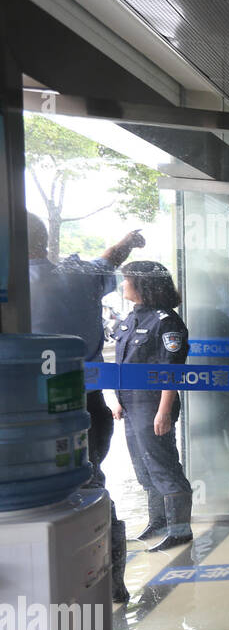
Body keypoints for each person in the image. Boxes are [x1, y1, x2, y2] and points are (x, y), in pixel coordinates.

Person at [27, 212, 143, 602]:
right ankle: (108, 582)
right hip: (88, 405)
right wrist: (129, 239)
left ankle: (63, 586)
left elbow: (109, 258)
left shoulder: (15, 286)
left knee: (40, 497)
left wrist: (125, 242)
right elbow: (109, 259)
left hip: (34, 409)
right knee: (91, 484)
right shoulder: (76, 276)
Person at [109, 261, 193, 552]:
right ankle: (158, 522)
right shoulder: (129, 319)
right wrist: (118, 401)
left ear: (143, 284)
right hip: (131, 404)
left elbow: (172, 371)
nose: (123, 285)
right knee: (143, 467)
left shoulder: (165, 321)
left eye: (127, 280)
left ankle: (180, 530)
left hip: (153, 403)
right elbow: (122, 365)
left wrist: (164, 410)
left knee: (163, 466)